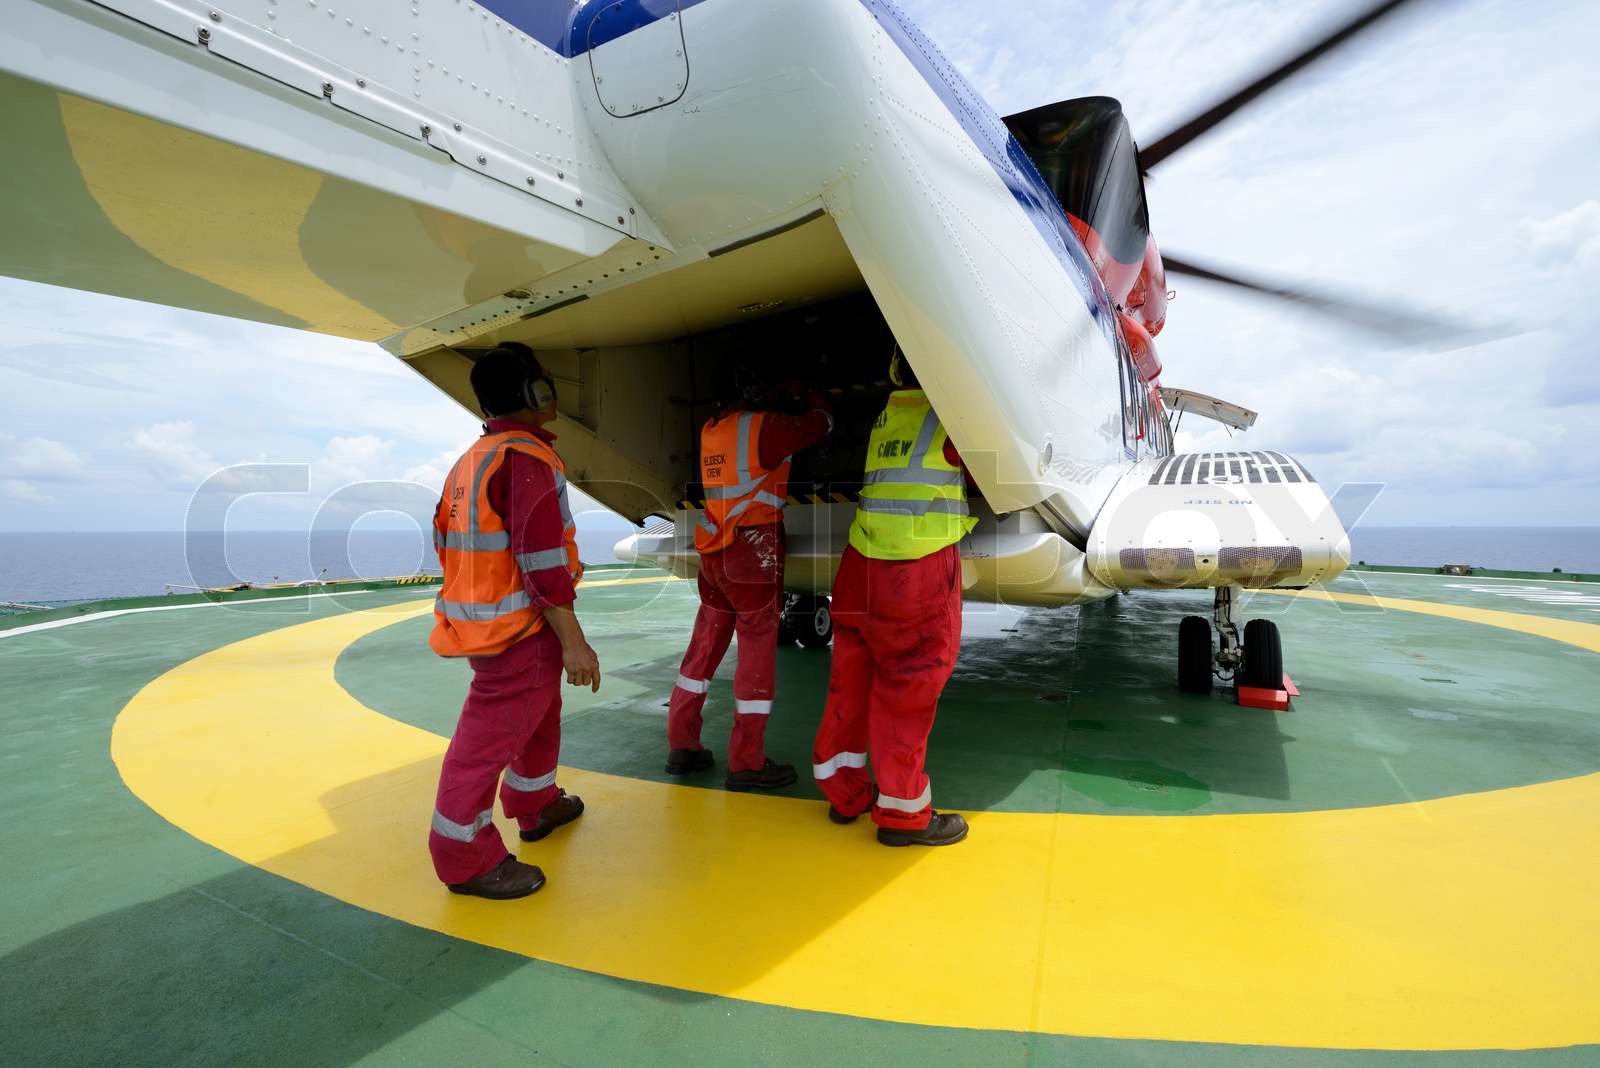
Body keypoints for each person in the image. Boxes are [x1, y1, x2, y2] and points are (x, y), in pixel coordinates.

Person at [426, 342, 601, 900]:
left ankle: (535, 803)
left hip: (491, 623)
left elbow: (446, 540)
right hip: (518, 628)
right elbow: (543, 561)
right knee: (484, 744)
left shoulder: (476, 458)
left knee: (539, 716)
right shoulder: (524, 458)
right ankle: (464, 857)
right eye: (542, 380)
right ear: (533, 393)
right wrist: (575, 643)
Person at [811, 348, 976, 846]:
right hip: (915, 568)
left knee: (851, 683)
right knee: (909, 685)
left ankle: (845, 794)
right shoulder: (949, 415)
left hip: (861, 563)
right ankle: (904, 815)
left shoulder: (889, 414)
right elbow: (989, 466)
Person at [665, 362, 832, 791]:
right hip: (751, 551)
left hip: (715, 551)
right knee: (756, 654)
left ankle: (682, 744)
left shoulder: (712, 429)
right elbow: (820, 425)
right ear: (752, 389)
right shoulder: (763, 427)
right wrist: (806, 395)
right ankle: (747, 762)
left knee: (703, 649)